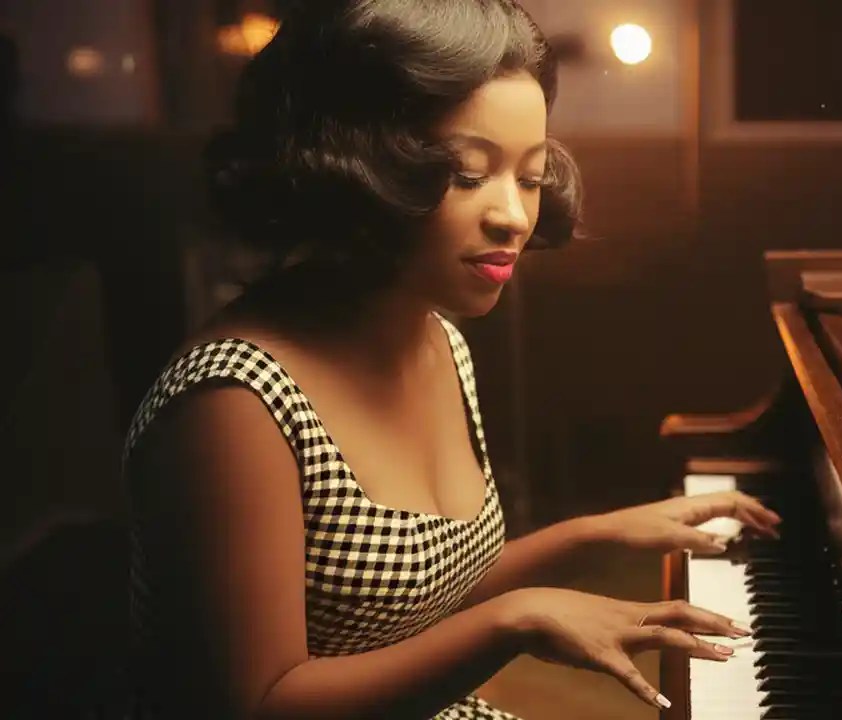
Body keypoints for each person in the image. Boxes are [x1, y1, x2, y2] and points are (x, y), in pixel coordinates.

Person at [122, 1, 781, 718]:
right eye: (468, 175)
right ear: (349, 169)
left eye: (530, 176)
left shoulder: (440, 339)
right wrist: (517, 619)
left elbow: (415, 595)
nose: (514, 217)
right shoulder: (235, 404)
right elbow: (261, 704)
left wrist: (595, 534)